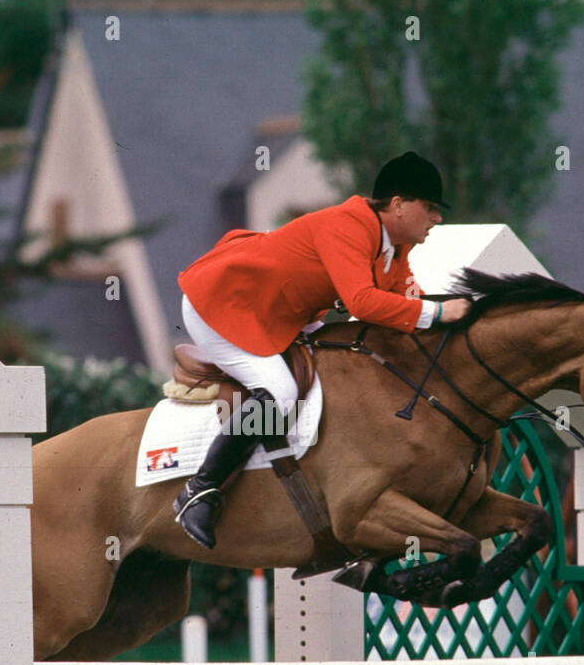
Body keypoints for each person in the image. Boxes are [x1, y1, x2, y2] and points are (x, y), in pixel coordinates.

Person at [173, 151, 472, 548]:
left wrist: (451, 315)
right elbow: (364, 303)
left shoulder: (395, 248)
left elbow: (406, 299)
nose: (437, 218)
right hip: (223, 304)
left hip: (281, 312)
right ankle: (199, 489)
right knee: (280, 391)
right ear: (398, 205)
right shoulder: (348, 225)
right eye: (430, 207)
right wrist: (436, 312)